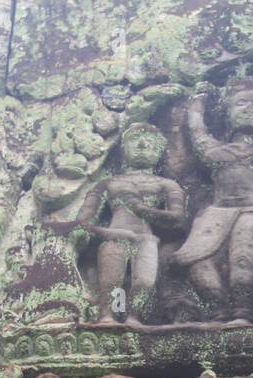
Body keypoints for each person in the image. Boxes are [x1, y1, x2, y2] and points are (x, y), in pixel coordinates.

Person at [172, 79, 253, 321]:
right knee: (195, 260)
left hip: (251, 210)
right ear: (227, 112)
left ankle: (242, 309)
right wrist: (199, 99)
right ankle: (217, 308)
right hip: (216, 212)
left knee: (243, 258)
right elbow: (196, 130)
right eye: (242, 103)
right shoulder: (215, 151)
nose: (250, 109)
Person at [74, 123, 185, 323]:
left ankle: (134, 317)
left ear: (159, 151)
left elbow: (177, 218)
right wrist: (107, 233)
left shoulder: (166, 184)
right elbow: (82, 222)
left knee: (144, 281)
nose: (142, 144)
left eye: (150, 143)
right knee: (112, 281)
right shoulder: (108, 183)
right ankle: (108, 315)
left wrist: (145, 210)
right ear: (124, 149)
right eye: (135, 141)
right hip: (114, 235)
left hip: (146, 238)